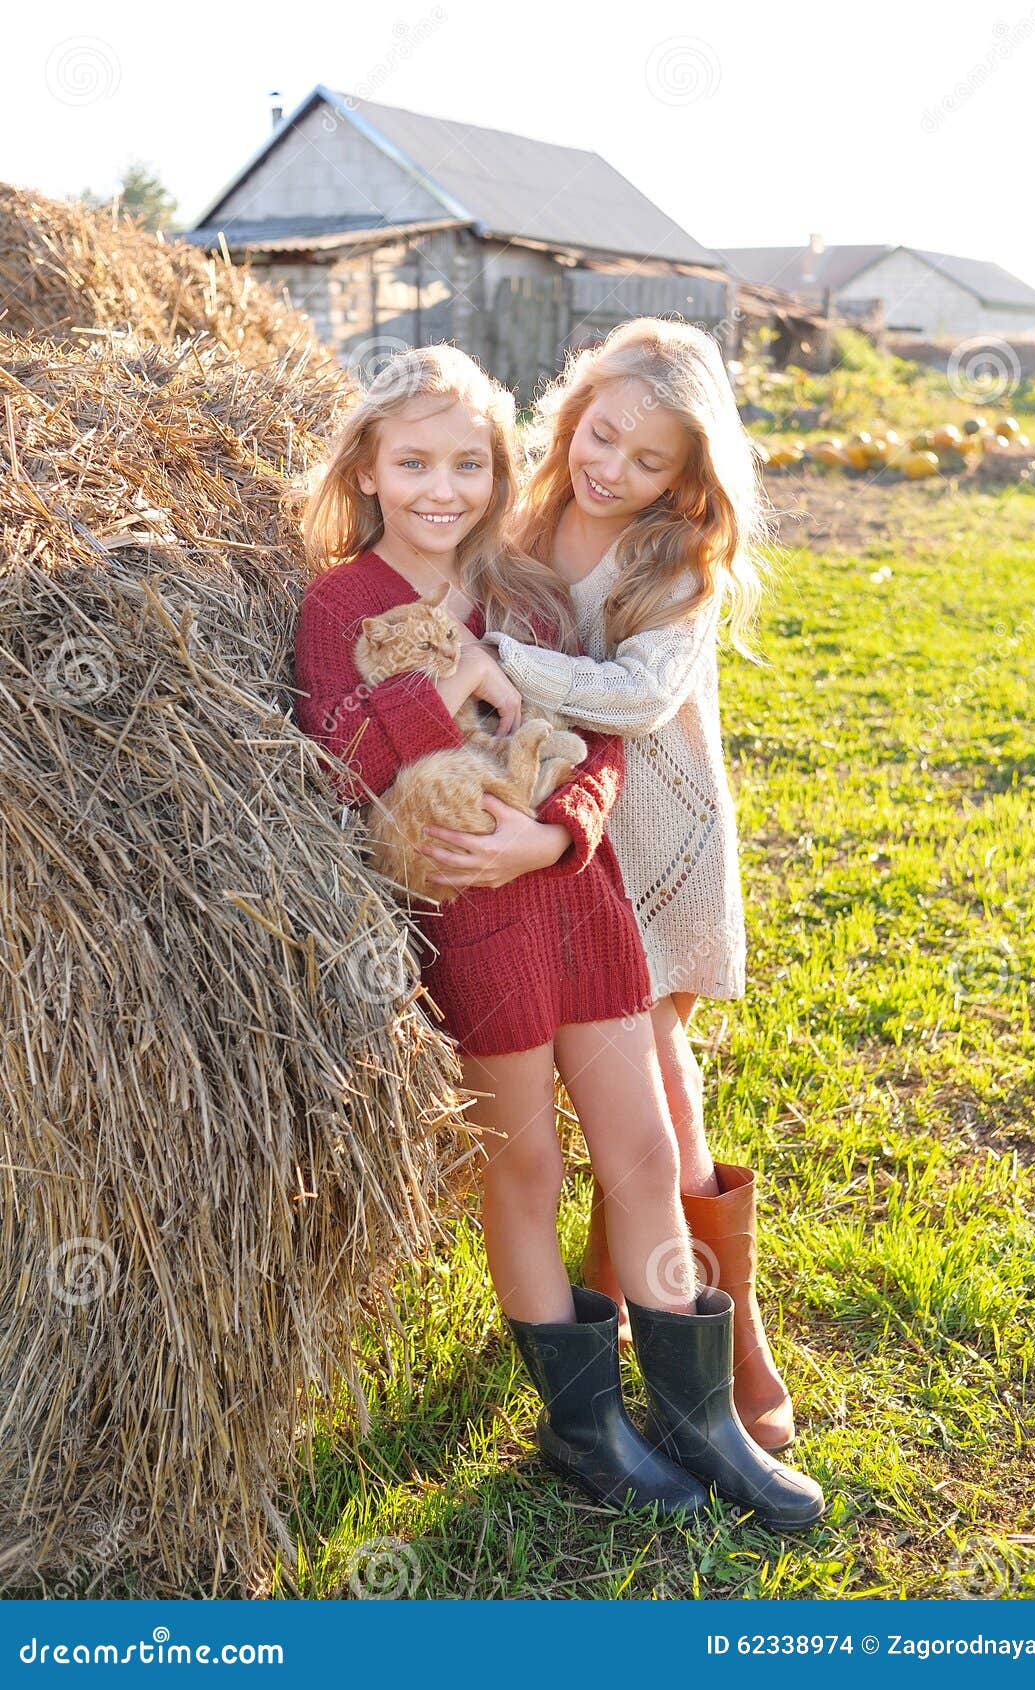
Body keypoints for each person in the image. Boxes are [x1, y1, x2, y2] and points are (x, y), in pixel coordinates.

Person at [292, 342, 822, 1531]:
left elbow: (600, 748)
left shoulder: (519, 591)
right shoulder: (340, 605)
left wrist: (557, 835)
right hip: (474, 923)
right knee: (522, 1165)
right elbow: (346, 751)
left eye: (468, 463)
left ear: (497, 471)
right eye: (415, 462)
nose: (443, 488)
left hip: (577, 902)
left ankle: (702, 1420)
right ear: (368, 469)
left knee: (639, 1155)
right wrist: (445, 690)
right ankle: (582, 1430)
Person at [427, 317, 794, 1455]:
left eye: (650, 463)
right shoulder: (522, 521)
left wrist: (500, 667)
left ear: (688, 477)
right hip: (558, 841)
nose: (615, 471)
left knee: (658, 1094)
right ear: (571, 408)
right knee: (594, 1087)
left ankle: (728, 1356)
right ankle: (606, 1308)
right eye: (603, 437)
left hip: (657, 846)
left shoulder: (674, 559)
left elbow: (633, 698)